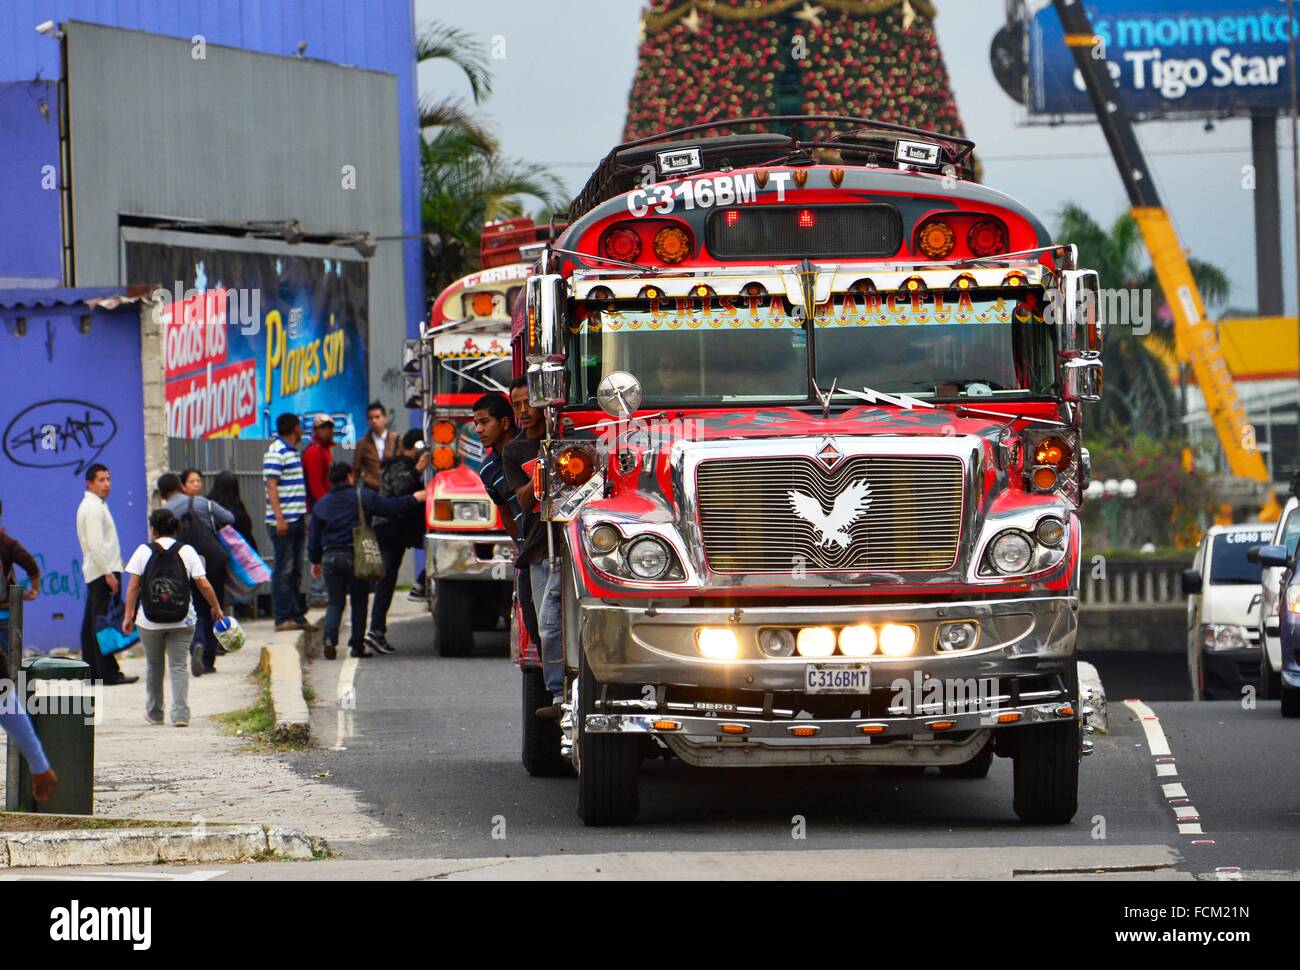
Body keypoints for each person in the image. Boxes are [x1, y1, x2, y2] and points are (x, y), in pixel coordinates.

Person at [308, 462, 424, 659]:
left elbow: (313, 538)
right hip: (356, 555)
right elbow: (390, 508)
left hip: (330, 557)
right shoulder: (362, 496)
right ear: (349, 477)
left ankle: (329, 639)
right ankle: (357, 646)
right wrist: (415, 498)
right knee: (359, 601)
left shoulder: (322, 504)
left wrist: (315, 561)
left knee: (335, 601)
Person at [121, 509, 225, 727]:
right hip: (182, 619)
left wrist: (128, 615)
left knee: (154, 666)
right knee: (178, 666)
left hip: (149, 621)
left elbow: (132, 587)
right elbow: (203, 584)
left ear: (152, 529)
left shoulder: (143, 551)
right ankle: (180, 715)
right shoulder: (187, 551)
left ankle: (155, 713)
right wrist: (215, 607)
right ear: (175, 528)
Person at [502, 376, 564, 718]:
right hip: (540, 548)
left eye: (529, 402)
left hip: (576, 545)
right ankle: (558, 694)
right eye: (517, 405)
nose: (524, 411)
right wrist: (543, 465)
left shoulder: (567, 435)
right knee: (547, 626)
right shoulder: (514, 451)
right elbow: (523, 501)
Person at [471, 393, 540, 647]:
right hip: (528, 552)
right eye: (476, 423)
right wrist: (521, 543)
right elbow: (506, 512)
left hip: (549, 544)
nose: (478, 429)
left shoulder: (533, 448)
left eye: (484, 422)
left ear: (505, 423)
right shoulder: (488, 470)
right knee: (533, 622)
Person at [158, 473, 233, 676]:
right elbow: (229, 518)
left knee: (192, 608)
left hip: (181, 564)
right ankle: (208, 660)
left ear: (162, 494)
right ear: (180, 486)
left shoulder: (163, 512)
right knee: (212, 607)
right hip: (211, 560)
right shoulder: (201, 502)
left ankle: (196, 645)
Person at [366, 429, 429, 654]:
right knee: (386, 580)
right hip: (390, 529)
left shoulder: (402, 464)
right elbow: (400, 489)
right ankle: (376, 630)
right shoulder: (398, 465)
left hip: (402, 529)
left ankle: (377, 630)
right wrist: (418, 469)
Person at [76, 463, 137, 686]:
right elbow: (95, 544)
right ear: (90, 483)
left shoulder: (94, 505)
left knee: (91, 624)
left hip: (100, 571)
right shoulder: (93, 508)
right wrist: (108, 573)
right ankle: (108, 673)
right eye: (101, 480)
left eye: (108, 479)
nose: (107, 484)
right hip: (103, 572)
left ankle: (92, 672)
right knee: (103, 625)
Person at [263, 413, 317, 633]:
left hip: (296, 519)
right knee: (283, 570)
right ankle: (282, 617)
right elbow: (271, 487)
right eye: (299, 426)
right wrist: (280, 518)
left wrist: (301, 517)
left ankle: (296, 614)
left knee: (295, 569)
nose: (301, 430)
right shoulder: (276, 452)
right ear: (294, 428)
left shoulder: (292, 451)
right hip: (283, 521)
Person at [0, 499, 40, 657]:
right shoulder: (7, 543)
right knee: (11, 660)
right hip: (4, 613)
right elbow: (31, 565)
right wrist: (34, 590)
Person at [352, 401, 398, 492]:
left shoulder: (396, 439)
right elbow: (356, 470)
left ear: (385, 418)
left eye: (377, 417)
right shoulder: (362, 444)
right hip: (372, 489)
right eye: (370, 418)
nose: (374, 421)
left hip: (394, 489)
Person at [207, 472, 258, 553]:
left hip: (212, 550)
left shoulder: (207, 504)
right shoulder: (237, 507)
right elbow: (246, 529)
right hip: (237, 552)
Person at [302, 416, 335, 510]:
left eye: (330, 428)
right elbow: (316, 485)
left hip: (324, 503)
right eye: (323, 428)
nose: (328, 431)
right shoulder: (314, 451)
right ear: (315, 431)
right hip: (318, 507)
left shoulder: (325, 450)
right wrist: (326, 507)